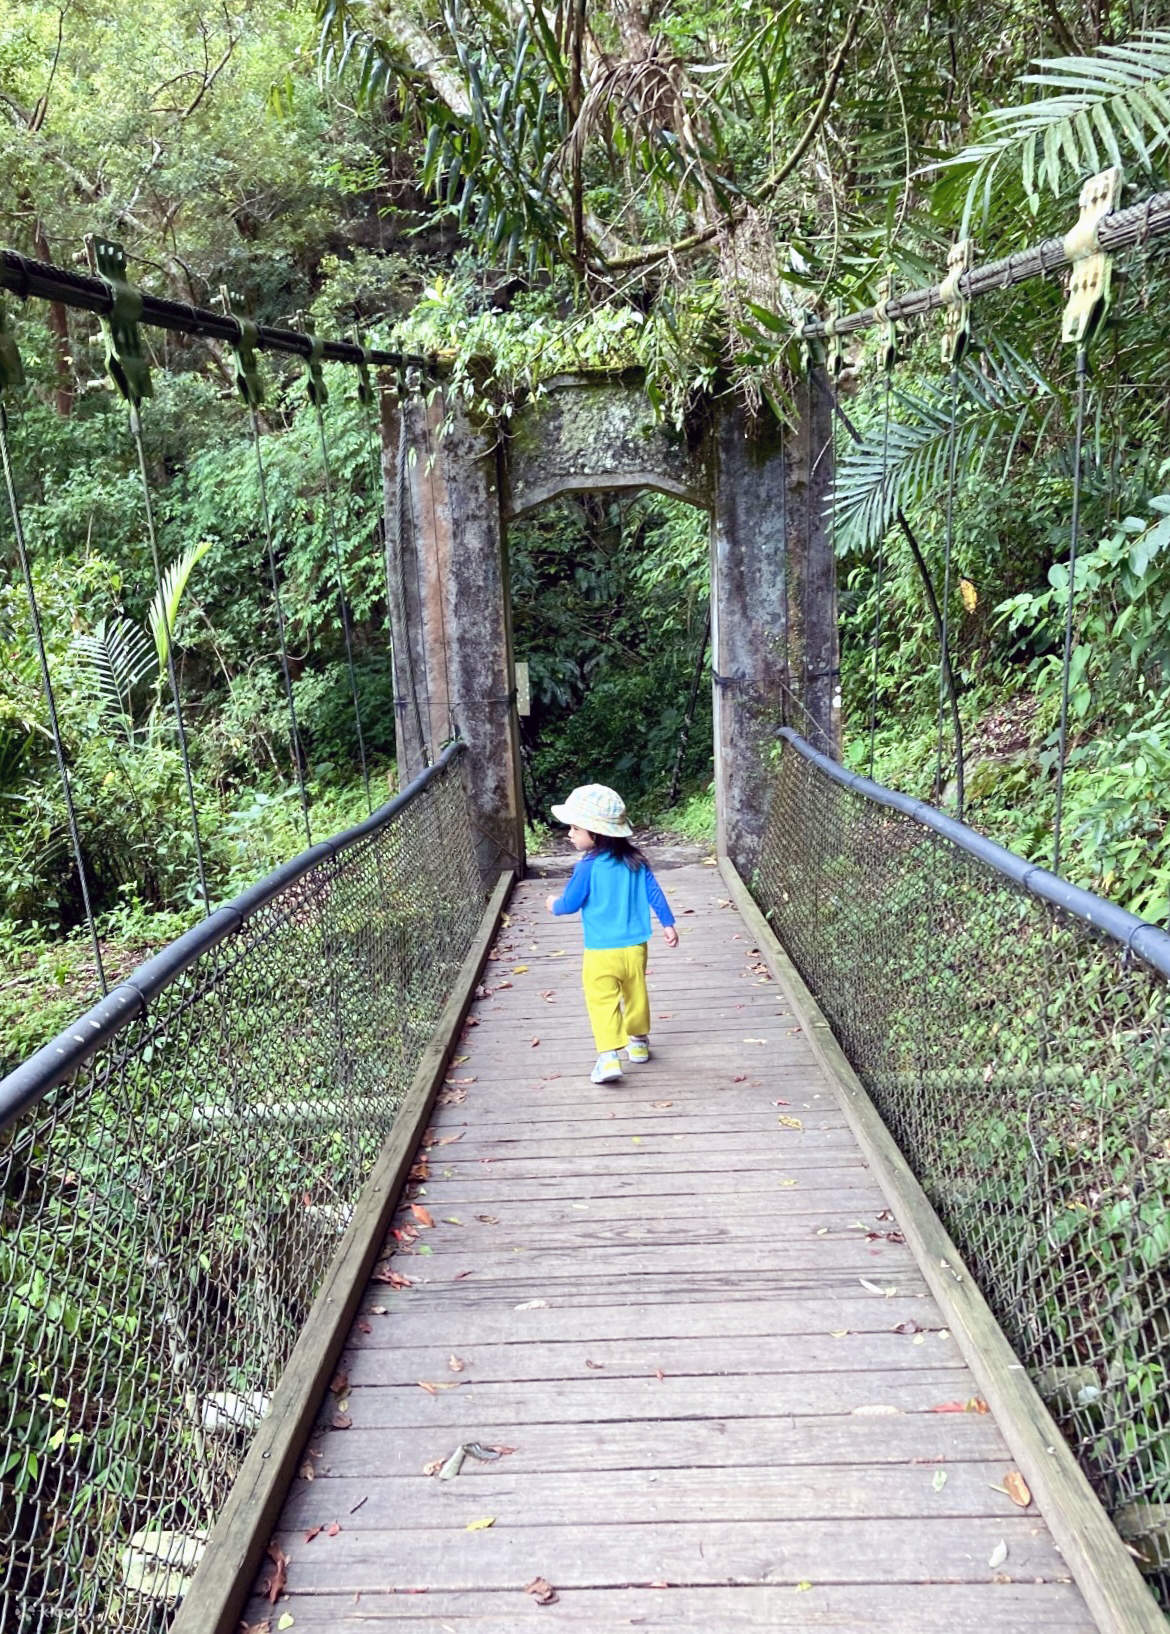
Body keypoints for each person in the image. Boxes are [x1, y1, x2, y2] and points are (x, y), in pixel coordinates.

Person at [545, 784, 679, 1085]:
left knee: (602, 1000)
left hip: (600, 952)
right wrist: (668, 923)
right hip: (635, 947)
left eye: (575, 828)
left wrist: (553, 904)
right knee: (635, 992)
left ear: (596, 833)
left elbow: (570, 904)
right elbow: (654, 892)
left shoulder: (587, 867)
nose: (570, 834)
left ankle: (608, 1058)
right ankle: (639, 1043)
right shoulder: (636, 860)